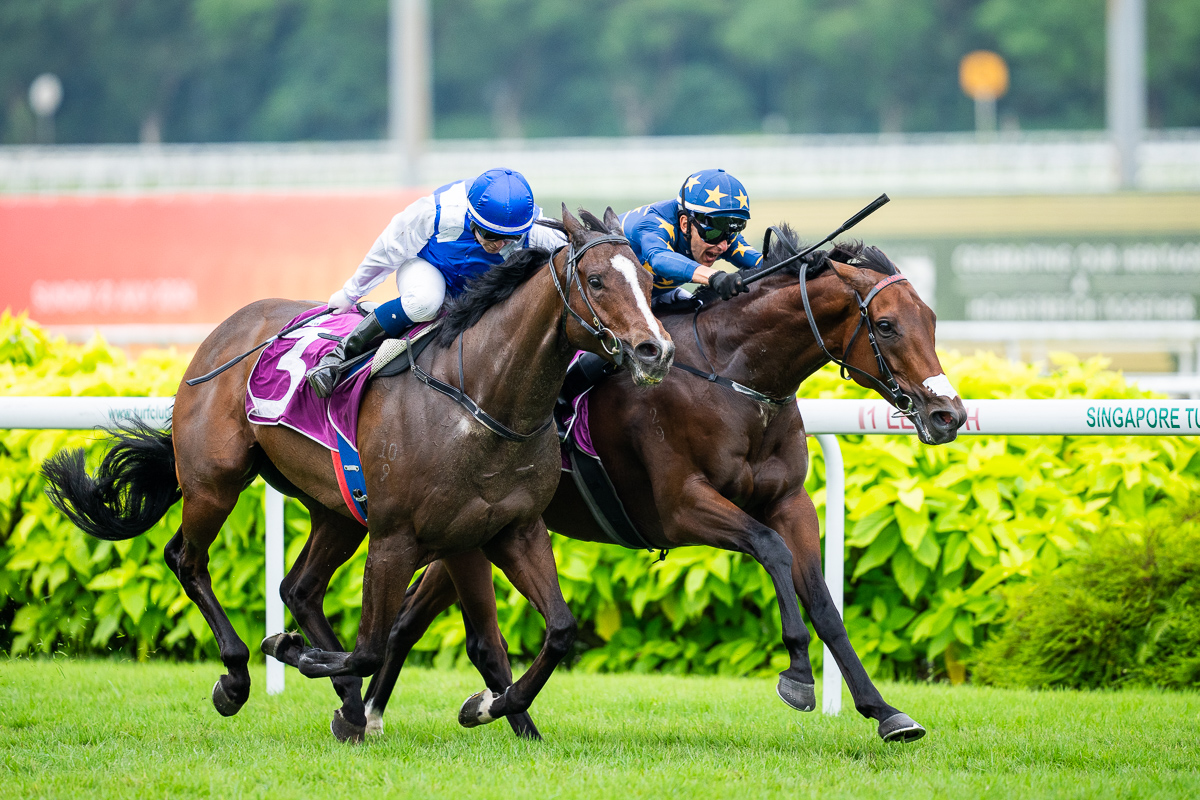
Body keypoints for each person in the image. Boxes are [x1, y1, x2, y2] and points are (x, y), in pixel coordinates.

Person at [306, 168, 564, 398]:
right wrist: (351, 293)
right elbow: (389, 248)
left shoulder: (538, 232)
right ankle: (338, 357)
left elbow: (579, 260)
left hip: (482, 292)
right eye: (490, 235)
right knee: (425, 302)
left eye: (510, 238)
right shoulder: (438, 211)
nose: (498, 245)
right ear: (472, 219)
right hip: (427, 268)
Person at [619, 168, 763, 305]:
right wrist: (714, 276)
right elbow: (659, 259)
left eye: (732, 233)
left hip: (651, 294)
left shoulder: (722, 239)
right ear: (685, 224)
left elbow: (763, 263)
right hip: (612, 298)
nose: (723, 246)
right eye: (713, 233)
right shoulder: (653, 223)